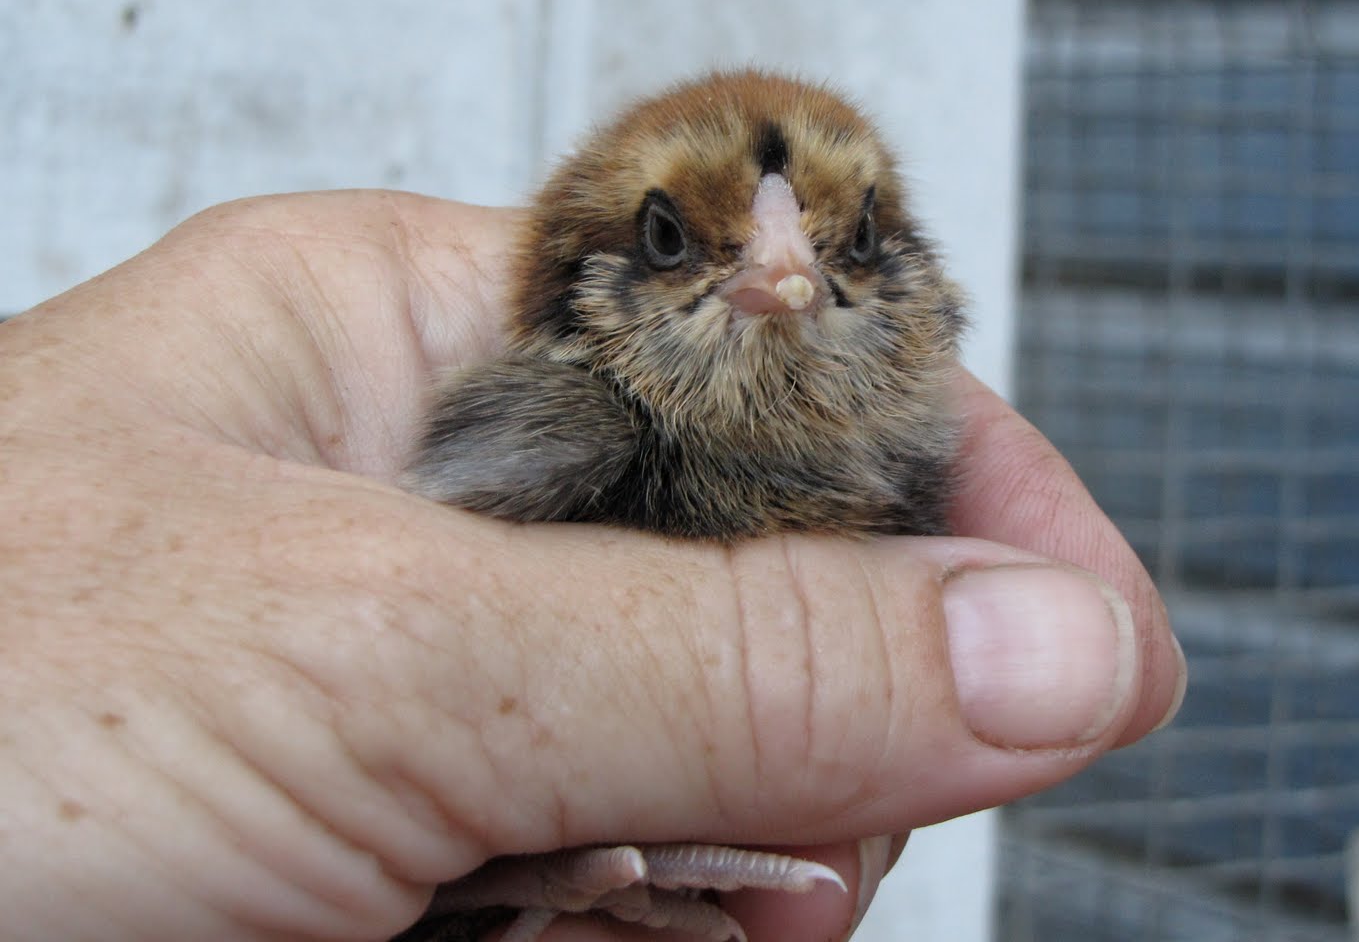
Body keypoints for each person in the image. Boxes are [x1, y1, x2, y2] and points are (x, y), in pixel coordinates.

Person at [0, 190, 1185, 941]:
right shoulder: (581, 424)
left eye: (850, 240)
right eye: (676, 241)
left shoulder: (902, 448)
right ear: (586, 285)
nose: (785, 270)